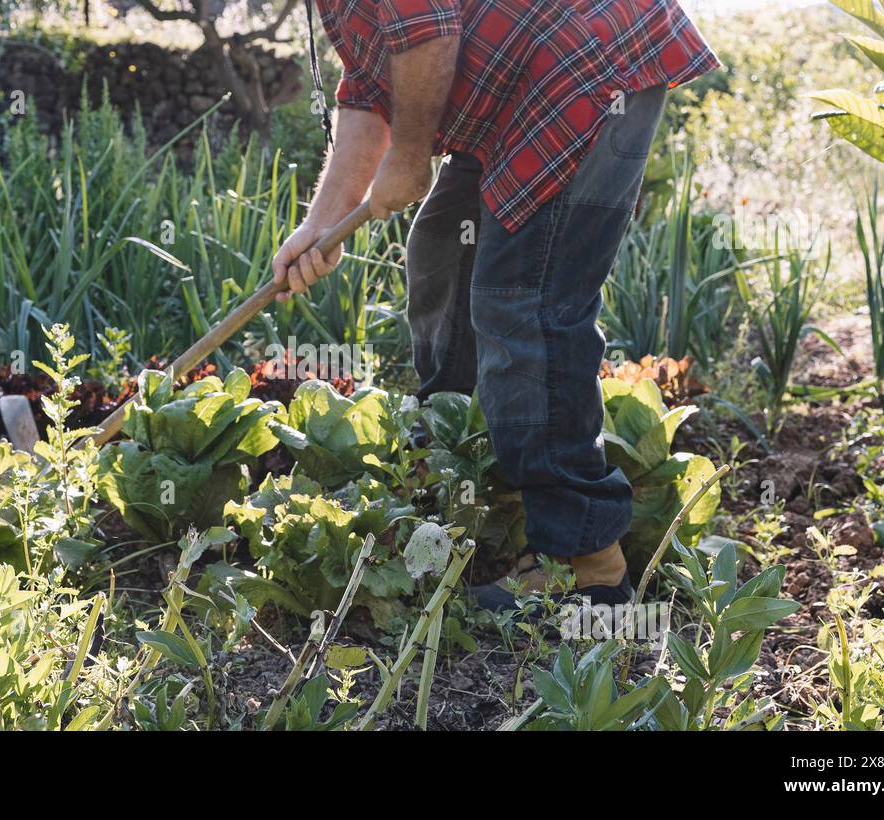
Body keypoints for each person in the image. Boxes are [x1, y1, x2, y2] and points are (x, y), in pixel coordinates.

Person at [270, 0, 719, 612]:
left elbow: (429, 32)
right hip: (519, 93)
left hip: (580, 67)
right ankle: (473, 471)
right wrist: (321, 227)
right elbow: (368, 90)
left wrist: (408, 158)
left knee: (524, 303)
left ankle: (585, 564)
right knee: (442, 252)